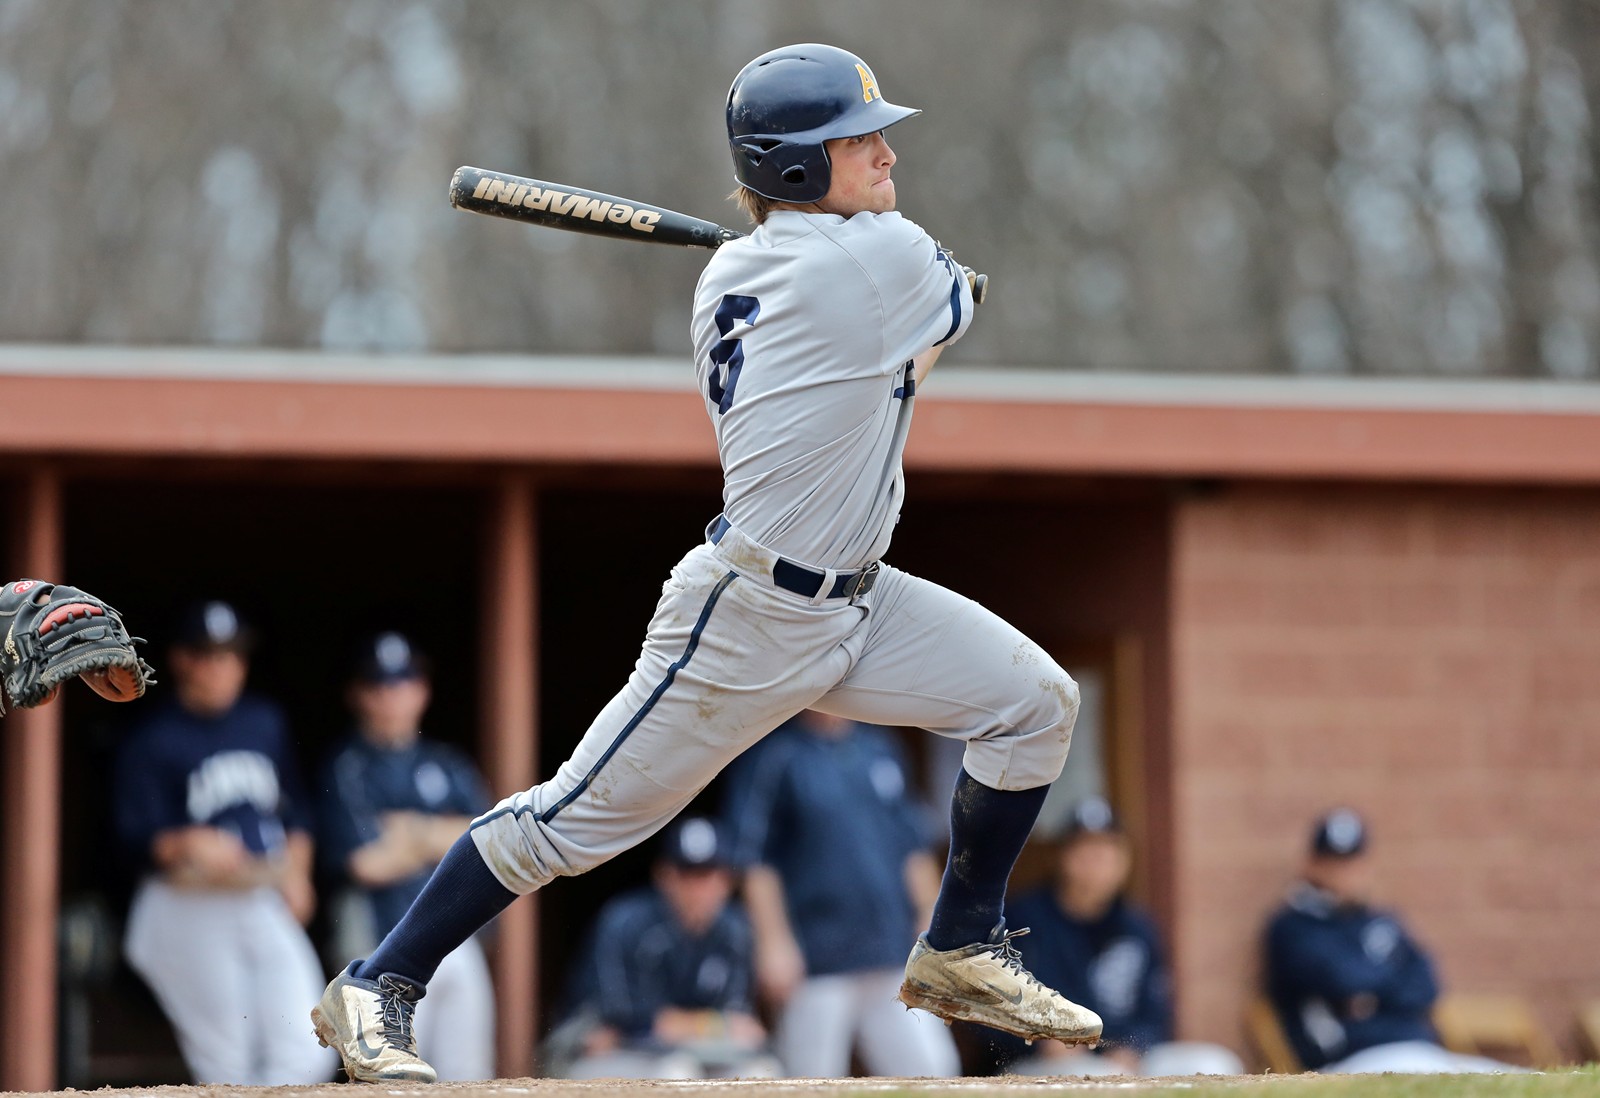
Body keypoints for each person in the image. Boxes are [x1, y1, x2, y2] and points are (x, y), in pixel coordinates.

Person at [311, 42, 1101, 1083]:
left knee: (1034, 703)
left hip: (859, 601)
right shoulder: (876, 258)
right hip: (748, 621)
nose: (881, 153)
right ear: (790, 168)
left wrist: (929, 299)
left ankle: (957, 941)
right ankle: (378, 983)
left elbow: (896, 359)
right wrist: (950, 289)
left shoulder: (741, 269)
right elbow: (937, 315)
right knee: (569, 824)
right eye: (850, 140)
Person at [112, 600, 335, 1085]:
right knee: (227, 1062)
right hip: (186, 905)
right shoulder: (152, 738)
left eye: (231, 656)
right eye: (209, 655)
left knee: (308, 1045)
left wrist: (298, 872)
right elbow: (131, 842)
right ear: (181, 660)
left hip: (258, 894)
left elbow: (296, 808)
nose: (222, 668)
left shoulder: (263, 721)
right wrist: (186, 842)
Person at [721, 710, 959, 1077]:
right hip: (817, 956)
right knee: (813, 1080)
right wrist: (773, 942)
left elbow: (912, 842)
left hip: (890, 949)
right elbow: (753, 859)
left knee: (933, 1072)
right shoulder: (774, 755)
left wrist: (931, 916)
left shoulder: (879, 747)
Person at [315, 632, 497, 1081]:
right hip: (379, 940)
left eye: (402, 683)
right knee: (394, 1073)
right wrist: (441, 834)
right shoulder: (347, 765)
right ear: (359, 694)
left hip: (456, 938)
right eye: (379, 685)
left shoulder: (447, 763)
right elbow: (367, 864)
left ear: (422, 689)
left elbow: (490, 839)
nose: (392, 697)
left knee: (467, 1073)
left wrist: (409, 831)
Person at [983, 796, 1243, 1077]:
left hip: (1126, 1060)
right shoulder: (1022, 921)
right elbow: (985, 1006)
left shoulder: (1137, 927)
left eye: (1108, 850)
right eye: (1085, 849)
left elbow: (1156, 1014)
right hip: (1045, 1063)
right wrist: (1036, 1040)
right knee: (1097, 1076)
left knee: (1213, 1064)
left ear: (1125, 861)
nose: (1097, 861)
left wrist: (1134, 1047)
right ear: (1061, 857)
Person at [1263, 807, 1523, 1074]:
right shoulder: (1292, 927)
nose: (1346, 872)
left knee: (1519, 1079)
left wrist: (1371, 997)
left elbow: (1426, 984)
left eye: (1353, 861)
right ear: (1312, 864)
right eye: (1334, 863)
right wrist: (1387, 979)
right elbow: (1342, 979)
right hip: (1350, 1057)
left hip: (1418, 1047)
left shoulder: (1381, 920)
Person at [556, 816, 780, 1080]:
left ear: (726, 881)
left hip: (693, 1054)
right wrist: (712, 1025)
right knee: (677, 1073)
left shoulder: (735, 931)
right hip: (600, 1053)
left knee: (761, 1072)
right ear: (664, 876)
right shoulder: (625, 923)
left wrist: (692, 1027)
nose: (698, 888)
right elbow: (629, 1025)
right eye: (687, 874)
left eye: (708, 875)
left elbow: (740, 1023)